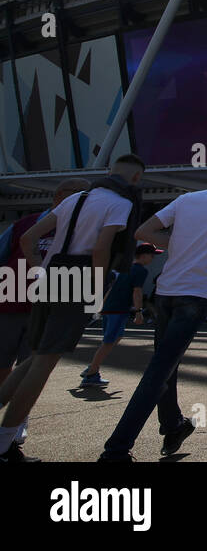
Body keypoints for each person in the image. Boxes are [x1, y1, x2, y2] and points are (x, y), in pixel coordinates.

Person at [98, 153, 207, 463]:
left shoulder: (186, 200)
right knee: (159, 370)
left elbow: (143, 233)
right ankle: (115, 449)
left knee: (166, 363)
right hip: (195, 295)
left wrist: (180, 243)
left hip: (166, 292)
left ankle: (173, 425)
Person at [0, 156, 145, 463]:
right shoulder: (120, 204)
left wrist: (41, 268)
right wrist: (95, 288)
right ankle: (3, 442)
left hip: (51, 274)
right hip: (78, 279)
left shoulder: (76, 199)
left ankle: (4, 439)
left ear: (109, 172)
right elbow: (101, 248)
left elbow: (29, 239)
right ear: (135, 179)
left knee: (36, 356)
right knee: (43, 364)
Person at [0, 180, 89, 391]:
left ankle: (16, 422)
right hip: (10, 305)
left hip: (48, 312)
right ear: (60, 196)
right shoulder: (23, 225)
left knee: (30, 368)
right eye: (80, 195)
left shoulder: (82, 231)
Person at [81, 243, 161, 388]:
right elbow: (137, 292)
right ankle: (91, 373)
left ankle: (92, 367)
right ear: (143, 255)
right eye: (152, 255)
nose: (153, 258)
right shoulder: (140, 271)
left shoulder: (124, 268)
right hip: (118, 310)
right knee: (109, 341)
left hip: (109, 308)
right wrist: (138, 312)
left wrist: (101, 306)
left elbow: (111, 288)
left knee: (113, 338)